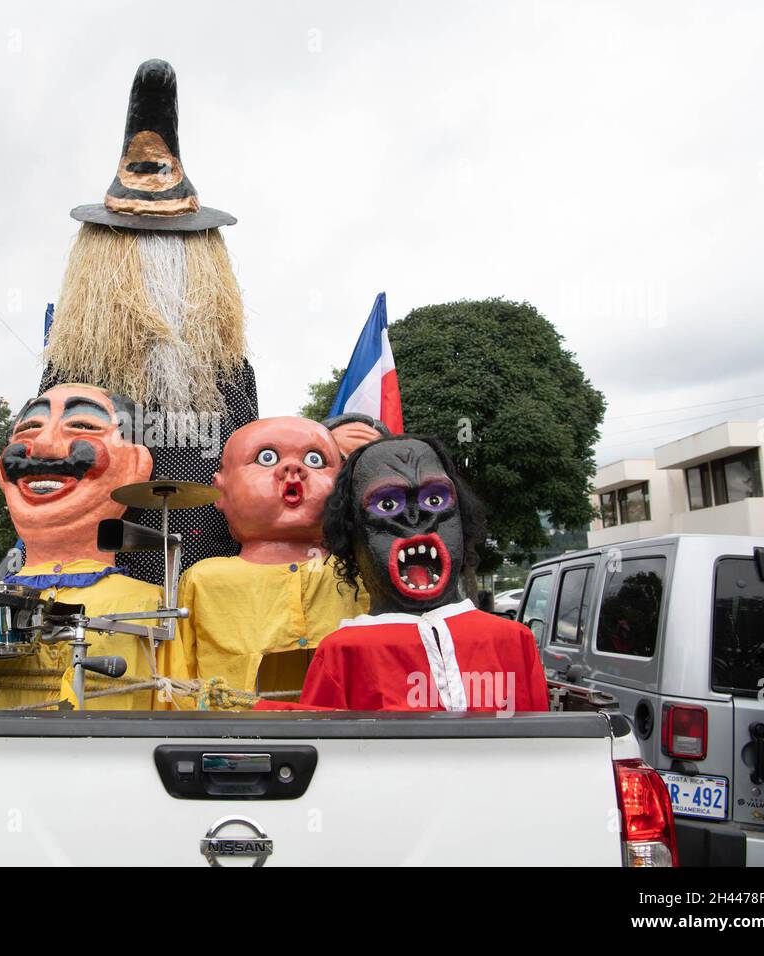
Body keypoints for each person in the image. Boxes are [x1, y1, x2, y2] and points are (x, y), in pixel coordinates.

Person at [39, 59, 258, 583]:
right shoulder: (71, 364)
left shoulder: (230, 369)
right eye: (135, 242)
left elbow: (250, 466)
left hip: (211, 570)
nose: (157, 260)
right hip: (97, 574)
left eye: (176, 243)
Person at [258, 434, 549, 713]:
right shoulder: (343, 653)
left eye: (435, 500)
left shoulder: (514, 641)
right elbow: (325, 752)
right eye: (388, 504)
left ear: (461, 520)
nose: (415, 518)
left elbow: (545, 748)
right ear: (352, 536)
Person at [0, 384, 164, 711]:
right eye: (29, 428)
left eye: (83, 425)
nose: (43, 444)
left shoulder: (149, 603)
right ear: (0, 470)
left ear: (134, 466)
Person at [166, 417, 368, 705]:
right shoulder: (203, 579)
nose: (293, 469)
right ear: (221, 490)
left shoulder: (359, 571)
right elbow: (179, 672)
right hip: (232, 738)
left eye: (315, 459)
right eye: (267, 457)